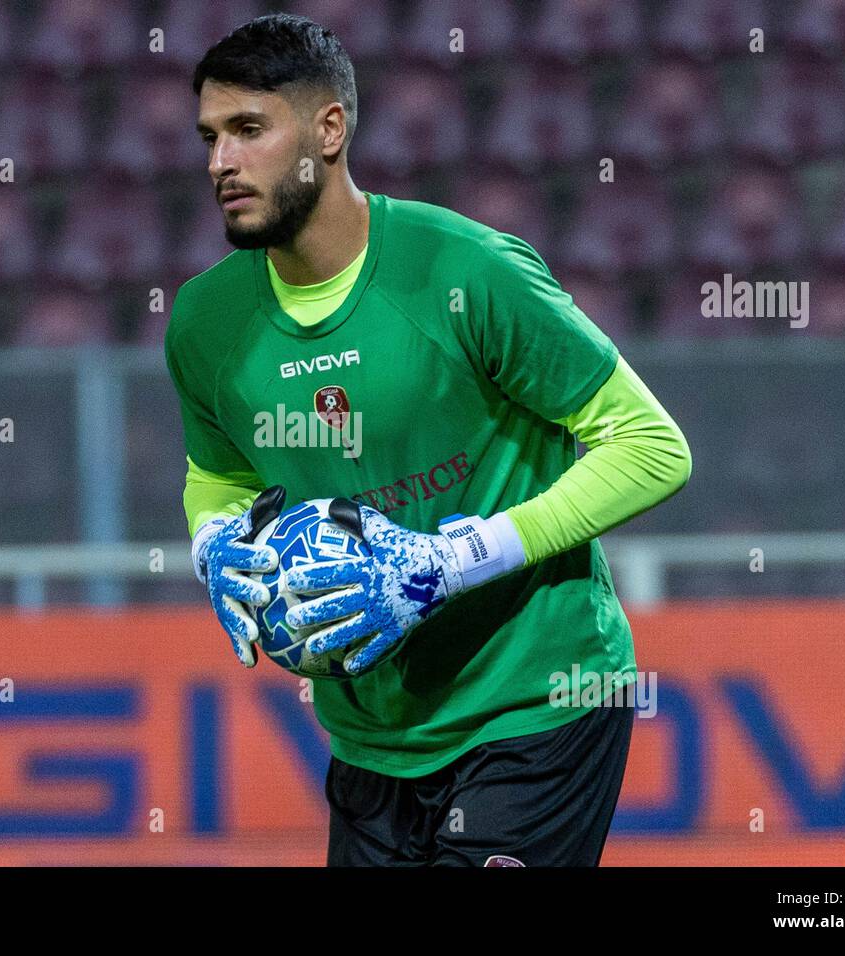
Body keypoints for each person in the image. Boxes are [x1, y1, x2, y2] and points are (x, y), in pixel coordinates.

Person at [165, 13, 692, 866]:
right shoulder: (204, 321)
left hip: (537, 702)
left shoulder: (465, 271)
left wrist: (454, 559)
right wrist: (212, 541)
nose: (221, 162)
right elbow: (216, 473)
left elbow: (652, 447)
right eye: (210, 137)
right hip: (371, 735)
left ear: (329, 130)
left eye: (249, 131)